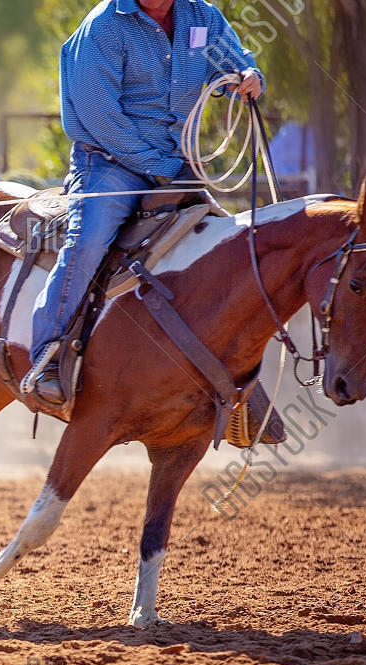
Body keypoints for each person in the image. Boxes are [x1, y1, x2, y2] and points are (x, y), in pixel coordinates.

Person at [26, 0, 263, 405]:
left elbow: (230, 60)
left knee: (229, 249)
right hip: (109, 162)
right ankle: (46, 357)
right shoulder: (104, 27)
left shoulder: (200, 17)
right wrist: (160, 166)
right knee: (87, 242)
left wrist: (246, 73)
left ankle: (238, 383)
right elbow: (100, 117)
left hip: (175, 161)